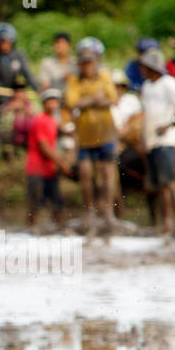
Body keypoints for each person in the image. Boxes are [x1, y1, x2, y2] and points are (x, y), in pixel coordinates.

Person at [138, 47, 175, 238]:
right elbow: (147, 114)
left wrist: (171, 124)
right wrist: (143, 139)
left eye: (144, 66)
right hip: (152, 140)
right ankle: (167, 223)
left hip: (166, 140)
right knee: (161, 185)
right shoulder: (147, 86)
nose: (142, 69)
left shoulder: (168, 83)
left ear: (151, 67)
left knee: (170, 182)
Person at [65, 46, 118, 231]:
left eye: (90, 63)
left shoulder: (104, 76)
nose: (87, 67)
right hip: (85, 136)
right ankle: (90, 211)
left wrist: (86, 101)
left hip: (106, 133)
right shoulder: (74, 81)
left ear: (95, 63)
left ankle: (108, 212)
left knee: (107, 173)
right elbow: (71, 103)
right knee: (86, 174)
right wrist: (94, 99)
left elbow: (113, 99)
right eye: (84, 63)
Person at [0, 22, 32, 149]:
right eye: (1, 42)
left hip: (10, 101)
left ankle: (9, 152)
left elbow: (28, 74)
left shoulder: (18, 56)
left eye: (7, 42)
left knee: (11, 129)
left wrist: (38, 89)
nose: (4, 45)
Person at [25, 89, 66, 229]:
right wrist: (61, 162)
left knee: (57, 201)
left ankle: (58, 229)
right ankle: (32, 229)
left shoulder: (52, 121)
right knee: (35, 203)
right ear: (44, 103)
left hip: (49, 169)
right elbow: (44, 147)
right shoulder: (39, 120)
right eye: (50, 101)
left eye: (55, 102)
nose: (53, 105)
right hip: (36, 168)